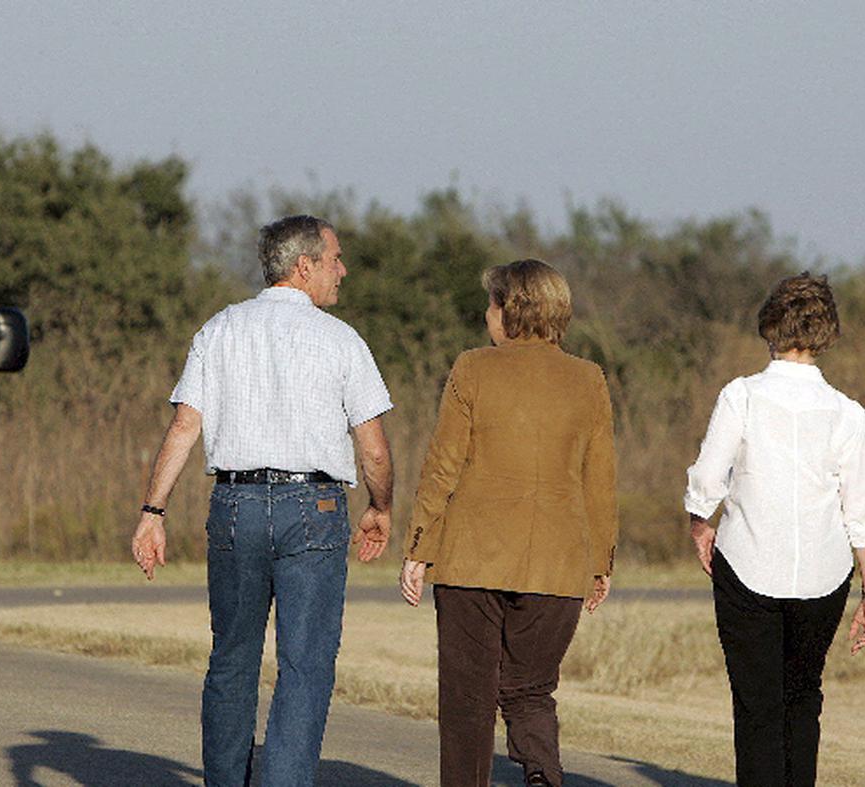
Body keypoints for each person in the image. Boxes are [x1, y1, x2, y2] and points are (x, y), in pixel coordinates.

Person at [130, 214, 395, 787]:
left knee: (232, 659)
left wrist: (153, 512)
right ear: (304, 267)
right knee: (304, 666)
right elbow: (372, 449)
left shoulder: (219, 329)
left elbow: (183, 428)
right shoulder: (340, 339)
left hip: (234, 507)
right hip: (314, 510)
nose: (342, 271)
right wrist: (381, 506)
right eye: (335, 259)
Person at [398, 259, 617, 787]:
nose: (486, 314)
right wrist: (600, 562)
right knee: (530, 689)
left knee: (467, 699)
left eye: (491, 304)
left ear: (509, 310)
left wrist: (418, 546)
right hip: (558, 562)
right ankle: (542, 775)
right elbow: (600, 478)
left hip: (471, 559)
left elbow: (443, 465)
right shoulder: (588, 379)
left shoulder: (473, 368)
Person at [684, 272, 865, 787]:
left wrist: (700, 522)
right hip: (825, 576)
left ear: (771, 325)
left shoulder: (742, 396)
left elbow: (709, 477)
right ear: (826, 333)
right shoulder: (847, 412)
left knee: (756, 708)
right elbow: (861, 510)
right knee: (803, 699)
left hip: (748, 566)